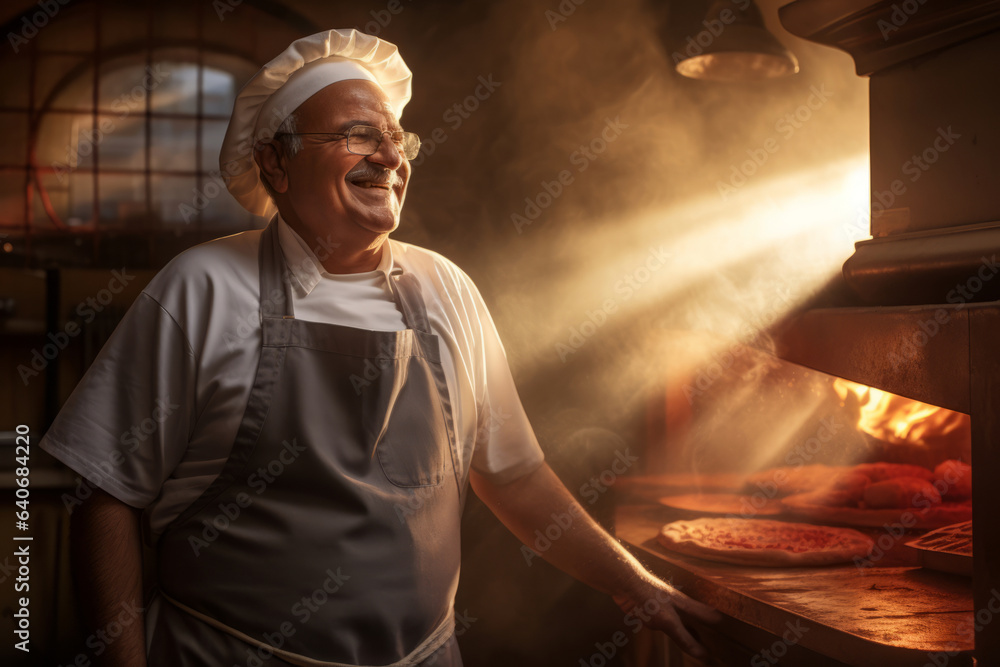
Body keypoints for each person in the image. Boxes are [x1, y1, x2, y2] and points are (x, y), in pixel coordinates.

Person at [41, 29, 719, 667]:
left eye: (397, 139)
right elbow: (105, 494)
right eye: (357, 135)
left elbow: (512, 473)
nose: (390, 157)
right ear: (276, 160)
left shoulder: (445, 287)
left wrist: (635, 584)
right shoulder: (203, 287)